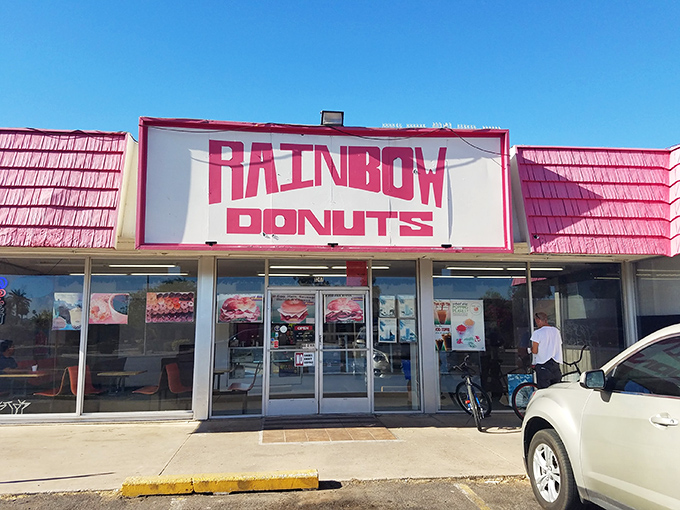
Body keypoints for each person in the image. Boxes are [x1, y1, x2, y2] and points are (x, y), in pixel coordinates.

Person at [531, 312, 563, 389]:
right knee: (555, 390)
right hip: (555, 363)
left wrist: (530, 350)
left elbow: (535, 351)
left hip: (543, 364)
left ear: (538, 320)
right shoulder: (556, 331)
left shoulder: (537, 333)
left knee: (543, 391)